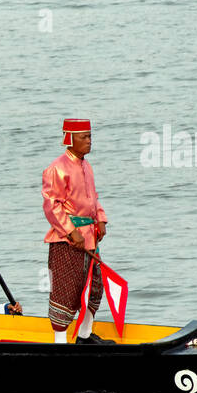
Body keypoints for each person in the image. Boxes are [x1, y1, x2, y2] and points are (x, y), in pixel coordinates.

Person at [43, 118, 113, 344]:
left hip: (91, 237)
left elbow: (94, 198)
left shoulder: (87, 166)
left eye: (90, 136)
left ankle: (84, 334)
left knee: (95, 286)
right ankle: (60, 341)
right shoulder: (57, 168)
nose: (89, 141)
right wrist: (70, 231)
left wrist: (100, 219)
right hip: (67, 240)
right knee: (66, 290)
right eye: (83, 137)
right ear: (69, 139)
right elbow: (52, 205)